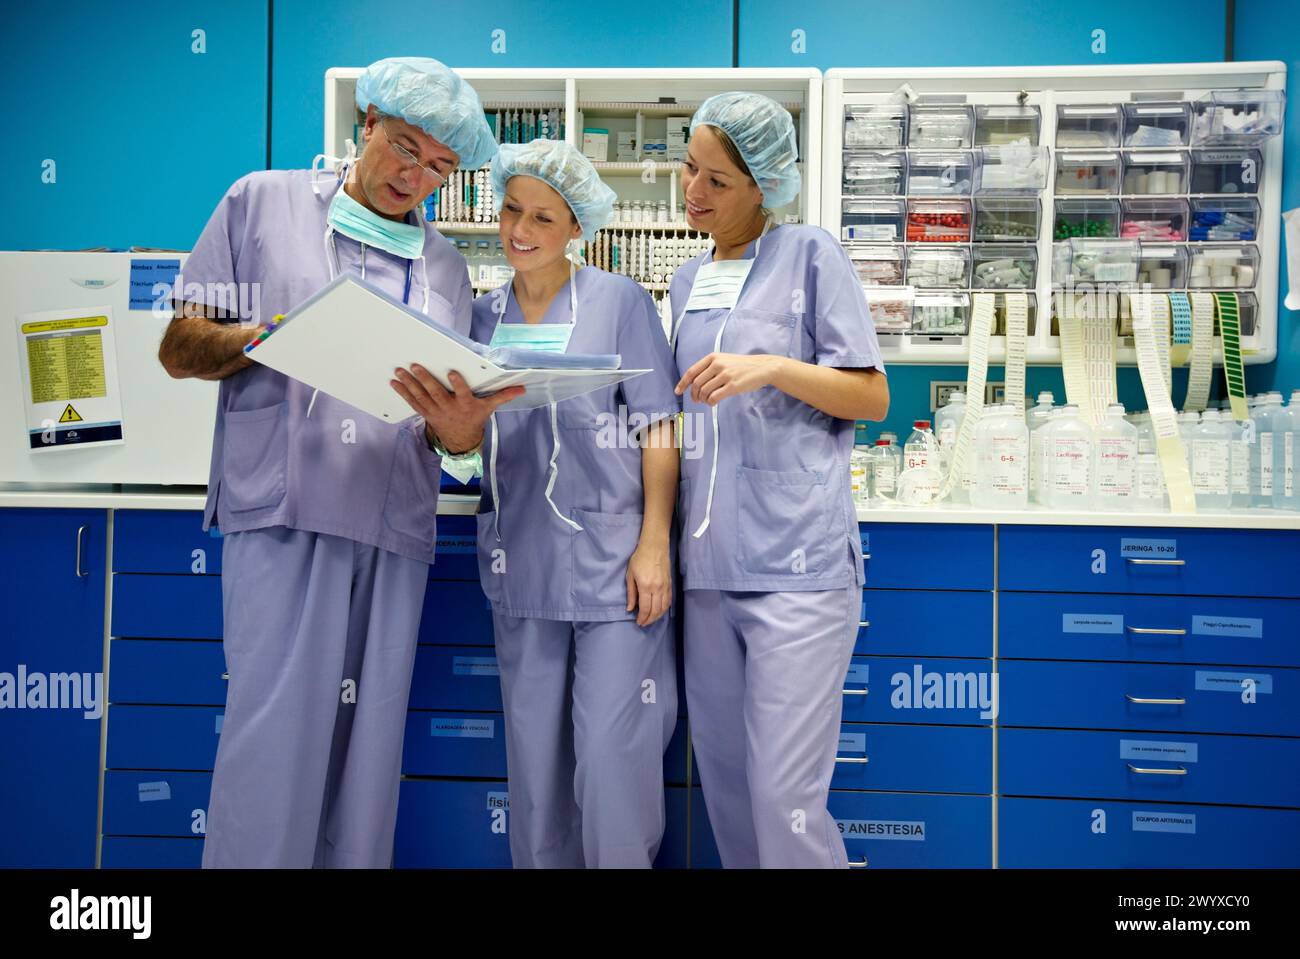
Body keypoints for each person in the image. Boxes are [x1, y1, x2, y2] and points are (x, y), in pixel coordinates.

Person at [158, 57, 512, 868]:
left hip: (390, 527)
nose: (414, 175)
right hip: (283, 513)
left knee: (365, 764)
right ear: (366, 125)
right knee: (271, 746)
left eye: (439, 167)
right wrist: (269, 335)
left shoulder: (448, 271)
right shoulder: (263, 204)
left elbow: (445, 434)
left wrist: (459, 432)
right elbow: (181, 346)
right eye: (403, 147)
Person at [670, 91, 889, 868]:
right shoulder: (687, 278)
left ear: (764, 183)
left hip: (796, 565)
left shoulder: (810, 254)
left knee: (783, 801)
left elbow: (870, 393)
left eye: (717, 181)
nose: (693, 191)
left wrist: (770, 366)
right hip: (707, 567)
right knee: (727, 790)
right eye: (690, 168)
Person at [470, 139, 681, 867]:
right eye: (511, 211)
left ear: (575, 228)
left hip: (614, 568)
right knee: (533, 773)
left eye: (544, 218)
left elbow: (660, 425)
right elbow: (467, 437)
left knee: (608, 760)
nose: (520, 231)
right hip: (522, 562)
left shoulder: (618, 302)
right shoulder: (481, 315)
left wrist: (655, 542)